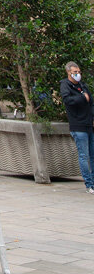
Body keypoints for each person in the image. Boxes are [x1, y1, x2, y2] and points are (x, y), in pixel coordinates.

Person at [60, 62, 94, 192]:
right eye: (75, 72)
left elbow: (90, 102)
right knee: (84, 155)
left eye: (79, 72)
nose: (77, 74)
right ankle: (89, 184)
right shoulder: (65, 85)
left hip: (89, 125)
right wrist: (81, 97)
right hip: (78, 125)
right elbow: (68, 101)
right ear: (68, 73)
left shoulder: (83, 86)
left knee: (92, 155)